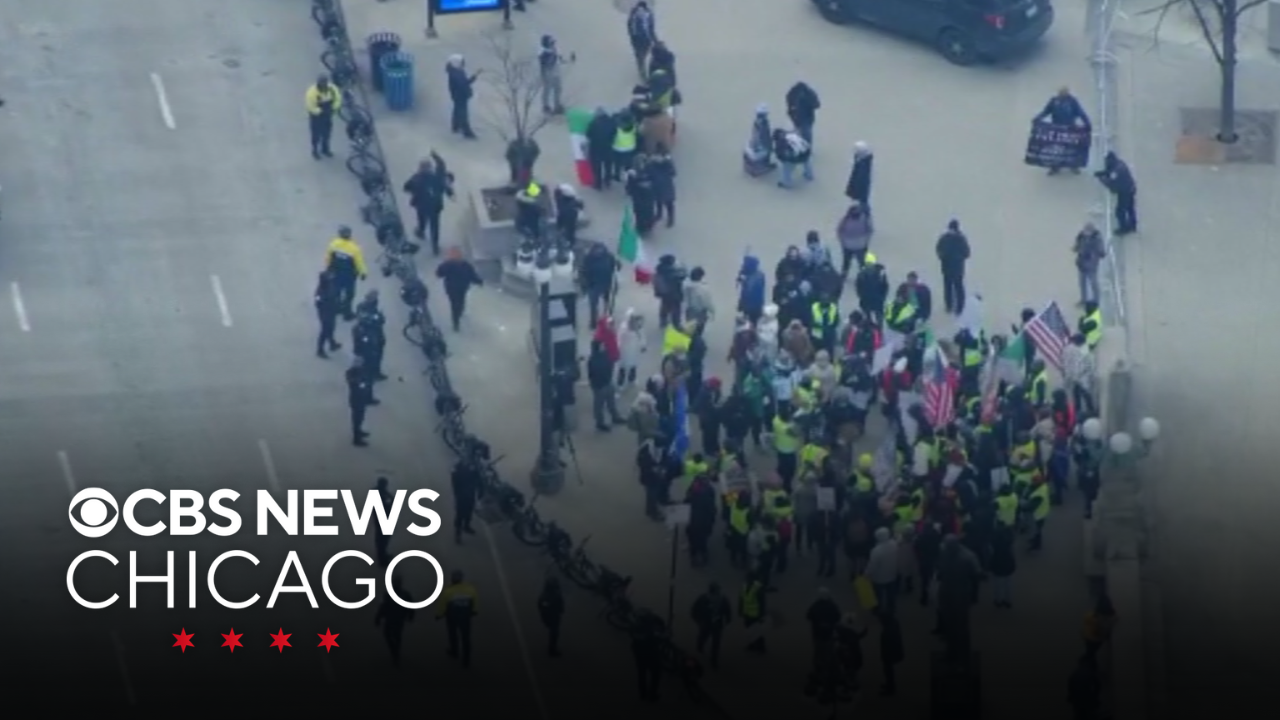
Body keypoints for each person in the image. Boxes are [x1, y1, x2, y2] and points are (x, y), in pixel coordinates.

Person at [402, 156, 454, 254]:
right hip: (435, 207)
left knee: (421, 219)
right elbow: (445, 184)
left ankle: (421, 232)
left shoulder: (416, 178)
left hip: (421, 205)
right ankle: (435, 246)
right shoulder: (437, 178)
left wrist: (414, 191)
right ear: (430, 168)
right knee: (435, 226)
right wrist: (450, 193)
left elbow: (406, 188)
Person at [1035, 87, 1091, 175]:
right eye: (1060, 93)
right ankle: (1055, 166)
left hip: (1070, 129)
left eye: (1063, 93)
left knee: (1071, 148)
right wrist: (1038, 118)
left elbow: (1081, 113)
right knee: (1056, 148)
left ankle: (1073, 165)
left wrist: (1087, 123)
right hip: (1057, 128)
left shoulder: (1072, 102)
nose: (1061, 95)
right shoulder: (1054, 101)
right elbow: (1046, 111)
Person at [324, 226, 367, 321]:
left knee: (336, 293)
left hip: (336, 274)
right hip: (349, 276)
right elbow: (359, 262)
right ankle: (347, 314)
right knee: (349, 295)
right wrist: (363, 273)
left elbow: (328, 258)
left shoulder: (334, 244)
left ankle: (335, 310)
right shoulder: (354, 247)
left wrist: (328, 269)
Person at [435, 248, 483, 331]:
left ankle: (456, 320)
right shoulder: (465, 265)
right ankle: (458, 314)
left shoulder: (447, 264)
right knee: (460, 301)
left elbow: (439, 274)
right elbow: (472, 275)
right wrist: (479, 282)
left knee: (454, 304)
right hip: (462, 287)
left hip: (451, 288)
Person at [437, 570, 478, 667]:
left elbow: (442, 605)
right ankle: (466, 660)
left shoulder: (448, 591)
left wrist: (439, 615)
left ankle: (454, 652)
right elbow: (475, 601)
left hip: (452, 618)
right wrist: (474, 611)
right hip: (465, 618)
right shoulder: (470, 589)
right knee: (466, 638)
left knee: (453, 635)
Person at [374, 575, 415, 665]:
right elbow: (411, 606)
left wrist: (378, 618)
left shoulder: (387, 594)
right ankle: (396, 652)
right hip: (400, 619)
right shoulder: (406, 594)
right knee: (397, 636)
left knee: (387, 635)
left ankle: (394, 651)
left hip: (389, 618)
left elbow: (382, 607)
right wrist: (411, 616)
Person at [1094, 150, 1137, 234]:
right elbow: (1109, 172)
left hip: (1125, 191)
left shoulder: (1117, 171)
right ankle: (1133, 225)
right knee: (1130, 208)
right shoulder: (1119, 163)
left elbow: (1111, 182)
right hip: (1130, 188)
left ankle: (1123, 228)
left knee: (1120, 211)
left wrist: (1101, 179)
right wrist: (1102, 173)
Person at [691, 582, 732, 669]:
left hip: (707, 622)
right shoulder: (722, 599)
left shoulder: (703, 598)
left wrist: (697, 619)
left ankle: (703, 649)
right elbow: (727, 610)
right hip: (715, 622)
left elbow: (694, 609)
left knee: (706, 637)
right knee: (714, 641)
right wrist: (728, 619)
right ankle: (712, 659)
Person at [587, 340, 625, 432]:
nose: (604, 346)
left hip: (607, 382)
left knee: (611, 402)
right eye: (602, 345)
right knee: (599, 405)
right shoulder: (593, 360)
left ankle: (615, 417)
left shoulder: (602, 355)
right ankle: (600, 423)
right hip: (600, 385)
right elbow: (593, 374)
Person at [936, 219, 971, 315]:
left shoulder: (961, 239)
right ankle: (948, 305)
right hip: (947, 267)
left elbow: (967, 253)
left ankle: (959, 307)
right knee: (948, 287)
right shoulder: (945, 238)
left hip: (956, 269)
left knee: (958, 287)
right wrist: (941, 255)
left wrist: (956, 257)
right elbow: (938, 249)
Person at [580, 243, 619, 328]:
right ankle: (593, 322)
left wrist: (618, 265)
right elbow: (583, 271)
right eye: (597, 250)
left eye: (600, 250)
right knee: (593, 305)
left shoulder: (609, 257)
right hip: (593, 285)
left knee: (608, 303)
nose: (598, 252)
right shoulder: (588, 258)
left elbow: (615, 266)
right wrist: (585, 284)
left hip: (607, 283)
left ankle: (607, 319)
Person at [305, 74, 342, 159]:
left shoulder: (332, 89)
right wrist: (321, 112)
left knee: (327, 134)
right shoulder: (312, 93)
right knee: (316, 135)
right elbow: (310, 106)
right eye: (322, 84)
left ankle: (325, 149)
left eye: (325, 83)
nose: (324, 85)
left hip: (328, 115)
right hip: (316, 117)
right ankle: (315, 151)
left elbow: (338, 98)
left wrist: (333, 108)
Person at [631, 613, 664, 701]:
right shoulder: (651, 631)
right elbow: (658, 639)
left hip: (638, 654)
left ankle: (642, 694)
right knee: (656, 674)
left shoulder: (635, 628)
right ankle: (652, 695)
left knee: (641, 674)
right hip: (651, 655)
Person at [1072, 222, 1106, 306]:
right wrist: (1075, 248)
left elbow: (1101, 251)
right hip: (1081, 262)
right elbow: (1077, 245)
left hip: (1091, 264)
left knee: (1093, 282)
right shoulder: (1081, 236)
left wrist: (1095, 254)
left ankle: (1096, 300)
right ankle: (1083, 299)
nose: (1086, 233)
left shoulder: (1097, 238)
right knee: (1082, 282)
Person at [345, 357, 377, 446]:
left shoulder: (362, 370)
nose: (359, 363)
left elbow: (367, 381)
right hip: (356, 399)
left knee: (361, 416)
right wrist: (364, 383)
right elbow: (355, 383)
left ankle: (359, 431)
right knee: (356, 419)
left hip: (362, 398)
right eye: (357, 362)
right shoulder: (350, 372)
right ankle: (356, 438)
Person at [445, 55, 479, 139]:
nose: (463, 64)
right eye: (461, 62)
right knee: (462, 112)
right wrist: (468, 91)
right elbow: (463, 84)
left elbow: (464, 82)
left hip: (458, 95)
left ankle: (456, 126)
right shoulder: (456, 73)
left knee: (457, 110)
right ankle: (467, 131)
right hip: (460, 95)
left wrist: (474, 76)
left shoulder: (455, 71)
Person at [837, 202, 874, 276]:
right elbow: (870, 230)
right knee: (861, 262)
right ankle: (864, 275)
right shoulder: (864, 219)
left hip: (848, 244)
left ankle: (844, 273)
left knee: (846, 261)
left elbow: (839, 230)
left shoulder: (845, 219)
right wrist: (866, 240)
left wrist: (842, 241)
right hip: (860, 245)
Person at [312, 270, 343, 358]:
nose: (331, 277)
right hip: (325, 313)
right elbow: (318, 303)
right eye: (329, 277)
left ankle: (332, 343)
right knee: (325, 331)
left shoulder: (330, 285)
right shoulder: (320, 291)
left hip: (331, 311)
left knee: (331, 328)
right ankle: (320, 349)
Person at [451, 459, 481, 544]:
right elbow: (454, 481)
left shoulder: (473, 466)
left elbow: (478, 478)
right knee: (460, 515)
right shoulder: (457, 468)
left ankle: (466, 526)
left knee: (469, 511)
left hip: (470, 493)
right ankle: (458, 534)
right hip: (461, 495)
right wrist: (457, 493)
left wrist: (480, 490)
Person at [586, 108, 617, 190]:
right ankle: (608, 180)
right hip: (608, 147)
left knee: (597, 166)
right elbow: (614, 133)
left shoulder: (593, 123)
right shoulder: (611, 122)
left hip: (596, 148)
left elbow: (588, 134)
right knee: (608, 165)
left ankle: (598, 184)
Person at [625, 155, 656, 235]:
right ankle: (643, 227)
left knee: (646, 211)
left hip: (645, 194)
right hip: (641, 195)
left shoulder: (649, 170)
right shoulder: (647, 170)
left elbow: (630, 186)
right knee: (641, 211)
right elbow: (630, 186)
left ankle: (646, 226)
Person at [648, 143, 677, 228]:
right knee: (665, 202)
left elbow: (648, 173)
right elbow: (673, 173)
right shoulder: (666, 163)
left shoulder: (654, 163)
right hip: (665, 185)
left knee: (664, 202)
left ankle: (663, 216)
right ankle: (667, 217)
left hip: (660, 185)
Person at [626, 1, 658, 79]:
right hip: (646, 40)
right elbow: (651, 29)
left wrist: (632, 38)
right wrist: (656, 41)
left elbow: (629, 27)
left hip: (636, 40)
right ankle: (649, 73)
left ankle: (642, 74)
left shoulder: (633, 14)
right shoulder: (648, 14)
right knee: (646, 55)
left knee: (640, 57)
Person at [743, 104, 776, 176]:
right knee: (768, 152)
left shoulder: (756, 121)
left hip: (754, 142)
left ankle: (750, 167)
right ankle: (764, 166)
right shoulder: (764, 123)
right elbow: (765, 136)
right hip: (759, 145)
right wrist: (770, 146)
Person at [537, 35, 567, 115]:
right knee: (547, 90)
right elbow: (547, 64)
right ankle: (546, 106)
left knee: (558, 88)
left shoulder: (553, 50)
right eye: (551, 42)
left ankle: (557, 105)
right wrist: (553, 56)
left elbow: (558, 59)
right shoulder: (543, 53)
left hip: (556, 71)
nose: (553, 44)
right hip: (548, 73)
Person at [785, 81, 821, 147]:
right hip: (802, 118)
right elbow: (817, 105)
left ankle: (803, 148)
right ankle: (804, 149)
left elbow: (817, 105)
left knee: (803, 133)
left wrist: (791, 111)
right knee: (805, 135)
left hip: (802, 118)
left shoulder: (794, 93)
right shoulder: (808, 93)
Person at [989, 525, 1016, 608]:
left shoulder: (994, 544)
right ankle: (1008, 601)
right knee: (1008, 584)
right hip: (1008, 564)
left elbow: (991, 553)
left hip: (998, 564)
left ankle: (998, 600)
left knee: (998, 584)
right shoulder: (1009, 542)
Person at [740, 571, 767, 652]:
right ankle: (752, 644)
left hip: (756, 615)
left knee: (757, 632)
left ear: (753, 579)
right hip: (747, 613)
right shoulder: (744, 586)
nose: (747, 579)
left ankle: (761, 648)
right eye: (747, 578)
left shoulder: (758, 588)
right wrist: (741, 610)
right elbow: (742, 599)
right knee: (749, 631)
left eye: (748, 578)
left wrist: (762, 615)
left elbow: (762, 603)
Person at [537, 577, 564, 657]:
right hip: (552, 616)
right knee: (554, 632)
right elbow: (561, 607)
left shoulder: (545, 595)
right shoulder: (554, 596)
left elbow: (541, 606)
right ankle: (552, 649)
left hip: (550, 616)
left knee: (554, 632)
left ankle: (552, 648)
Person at [878, 614, 904, 696]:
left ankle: (890, 688)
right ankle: (890, 685)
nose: (880, 622)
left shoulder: (888, 631)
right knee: (888, 670)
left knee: (888, 671)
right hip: (891, 653)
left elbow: (886, 644)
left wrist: (884, 656)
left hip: (889, 654)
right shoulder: (893, 625)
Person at [613, 111, 641, 183]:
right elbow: (638, 135)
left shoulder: (617, 128)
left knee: (617, 163)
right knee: (628, 164)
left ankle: (617, 176)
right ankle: (628, 177)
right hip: (630, 147)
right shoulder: (633, 127)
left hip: (618, 148)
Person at [844, 141, 874, 207]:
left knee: (861, 206)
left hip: (859, 193)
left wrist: (856, 195)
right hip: (859, 193)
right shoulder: (863, 161)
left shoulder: (862, 165)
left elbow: (860, 181)